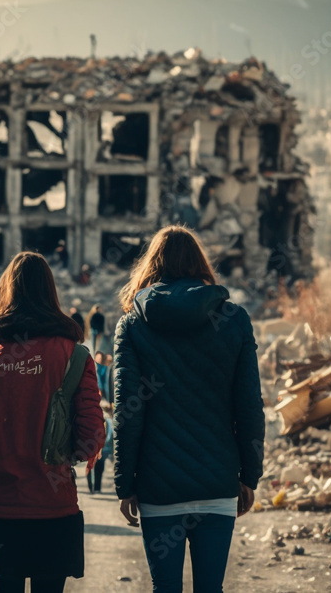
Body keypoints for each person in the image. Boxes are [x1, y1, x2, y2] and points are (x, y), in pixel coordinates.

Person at [113, 225, 264, 593]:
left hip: (157, 488)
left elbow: (128, 413)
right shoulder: (233, 320)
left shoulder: (132, 325)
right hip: (217, 483)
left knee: (165, 588)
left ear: (151, 266)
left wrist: (125, 483)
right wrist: (249, 476)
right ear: (200, 264)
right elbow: (249, 407)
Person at [0, 252, 105, 593]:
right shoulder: (74, 355)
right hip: (54, 506)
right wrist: (72, 457)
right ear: (50, 293)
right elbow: (92, 432)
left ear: (6, 292)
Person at [87, 401, 114, 494]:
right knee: (97, 467)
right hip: (100, 448)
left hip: (99, 448)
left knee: (94, 467)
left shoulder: (104, 420)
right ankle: (94, 487)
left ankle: (94, 487)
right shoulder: (104, 420)